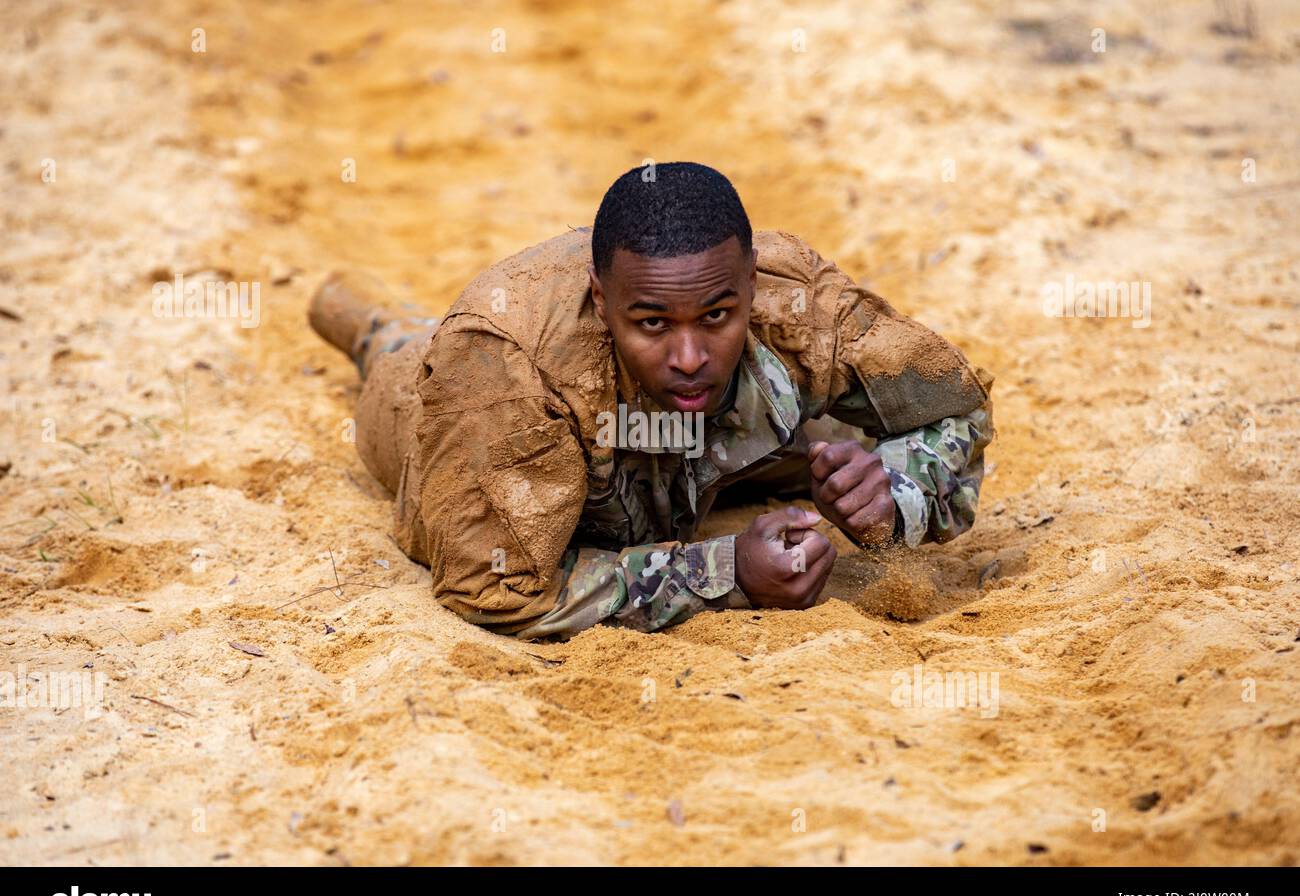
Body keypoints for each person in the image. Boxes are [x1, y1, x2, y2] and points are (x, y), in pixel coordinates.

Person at [308, 162, 993, 639]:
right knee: (402, 356)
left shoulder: (800, 303)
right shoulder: (502, 371)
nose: (690, 356)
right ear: (602, 301)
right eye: (654, 324)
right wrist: (724, 572)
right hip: (462, 412)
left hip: (695, 450)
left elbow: (951, 402)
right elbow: (495, 588)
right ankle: (364, 316)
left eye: (719, 316)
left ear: (751, 285)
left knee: (831, 440)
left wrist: (894, 493)